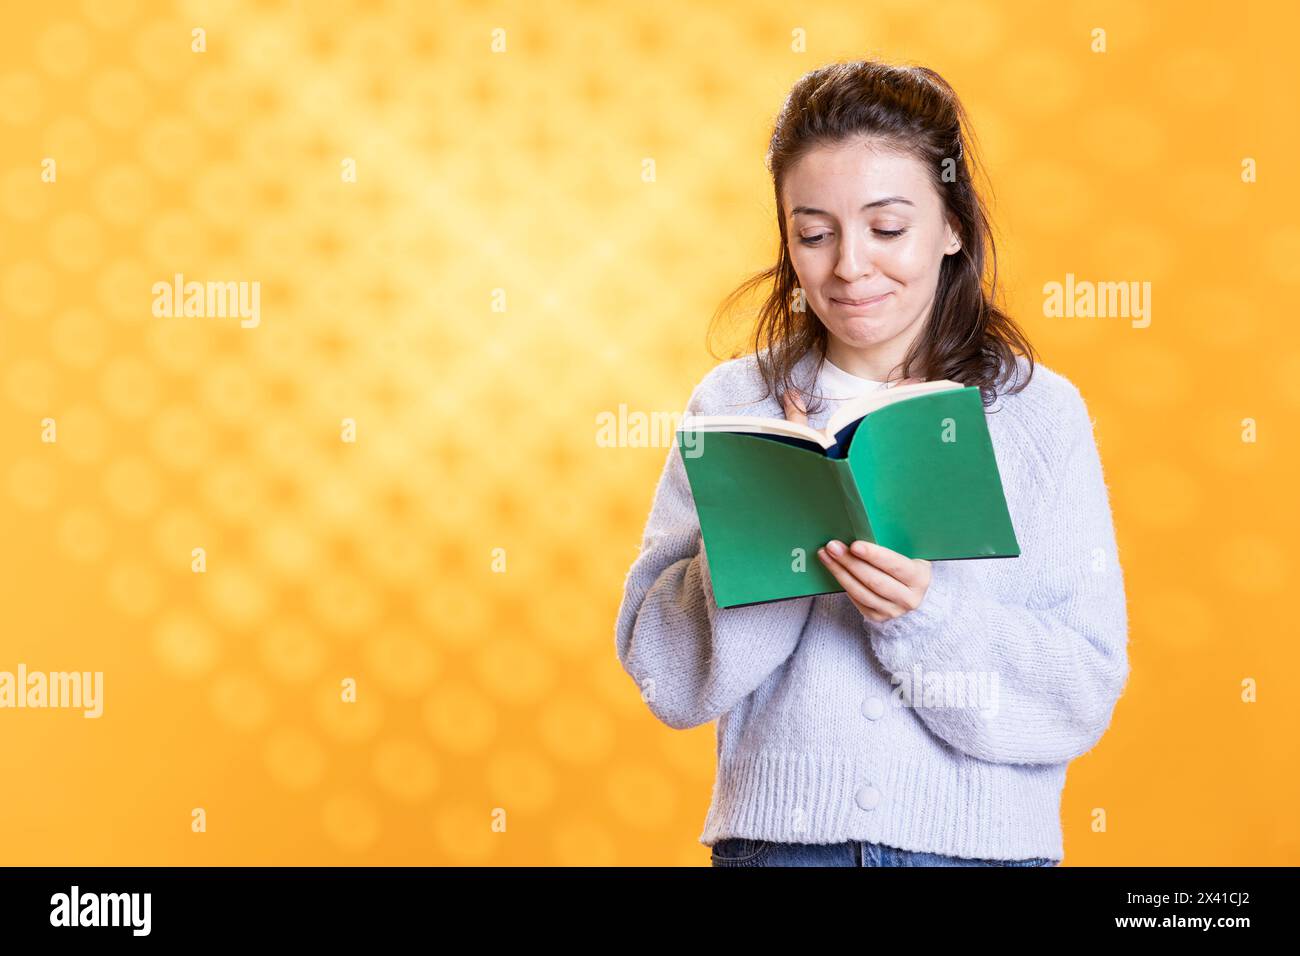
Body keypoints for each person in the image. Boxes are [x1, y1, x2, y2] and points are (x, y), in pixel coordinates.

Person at [613, 60, 1130, 867]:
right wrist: (759, 538)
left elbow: (1081, 690)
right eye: (814, 234)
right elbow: (668, 683)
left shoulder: (1037, 414)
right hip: (782, 848)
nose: (850, 265)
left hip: (982, 853)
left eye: (887, 228)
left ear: (953, 225)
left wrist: (927, 619)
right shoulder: (735, 401)